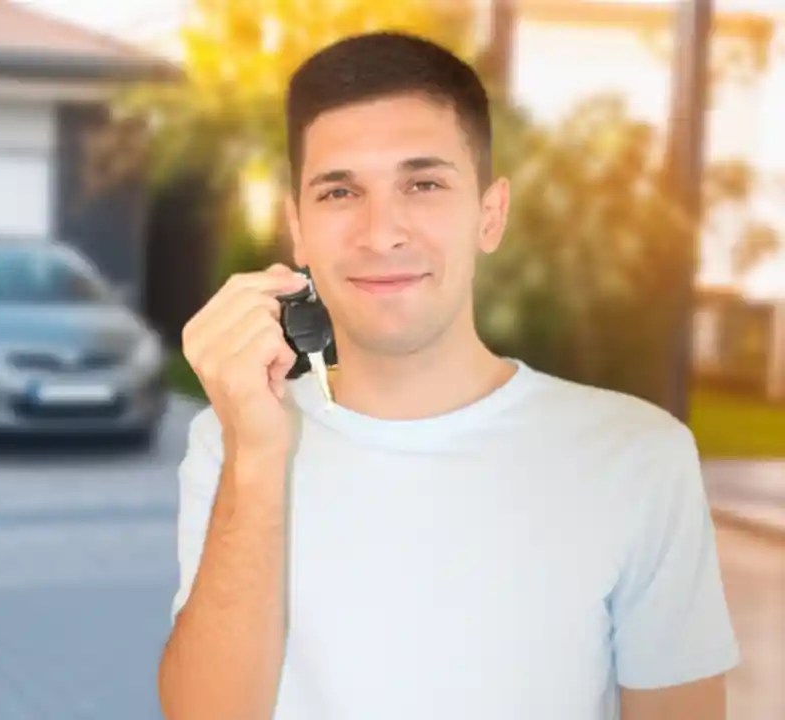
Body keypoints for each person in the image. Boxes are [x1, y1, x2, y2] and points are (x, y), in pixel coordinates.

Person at [157, 32, 740, 720]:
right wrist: (256, 455)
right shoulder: (230, 443)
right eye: (340, 192)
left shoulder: (638, 454)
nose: (382, 232)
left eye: (424, 184)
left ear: (489, 215)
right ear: (299, 230)